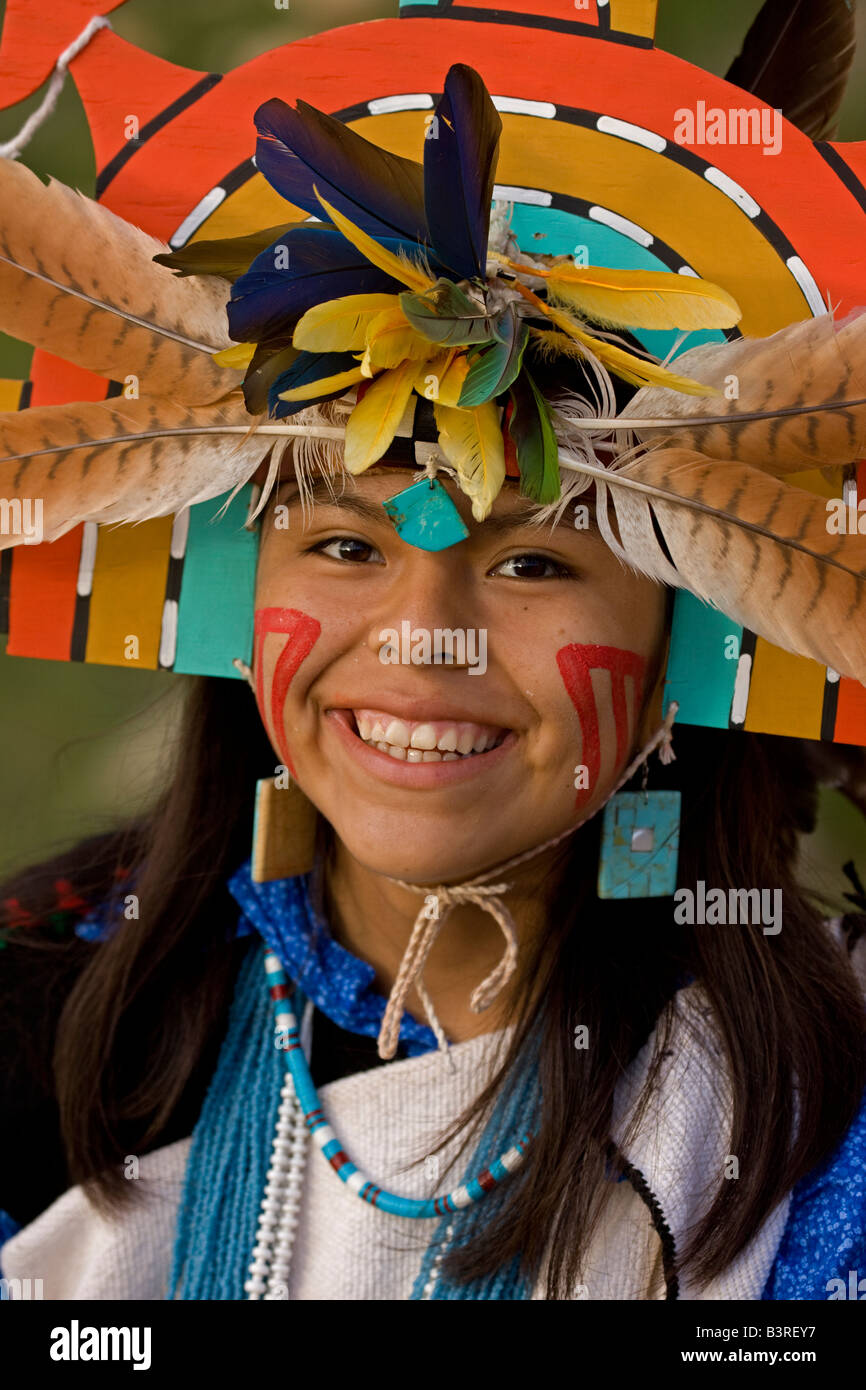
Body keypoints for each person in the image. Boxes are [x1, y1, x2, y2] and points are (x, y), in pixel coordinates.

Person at [1, 4, 865, 1302]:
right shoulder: (38, 1022)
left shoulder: (819, 1110)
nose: (425, 635)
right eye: (345, 547)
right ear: (241, 603)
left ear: (688, 630)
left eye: (532, 562)